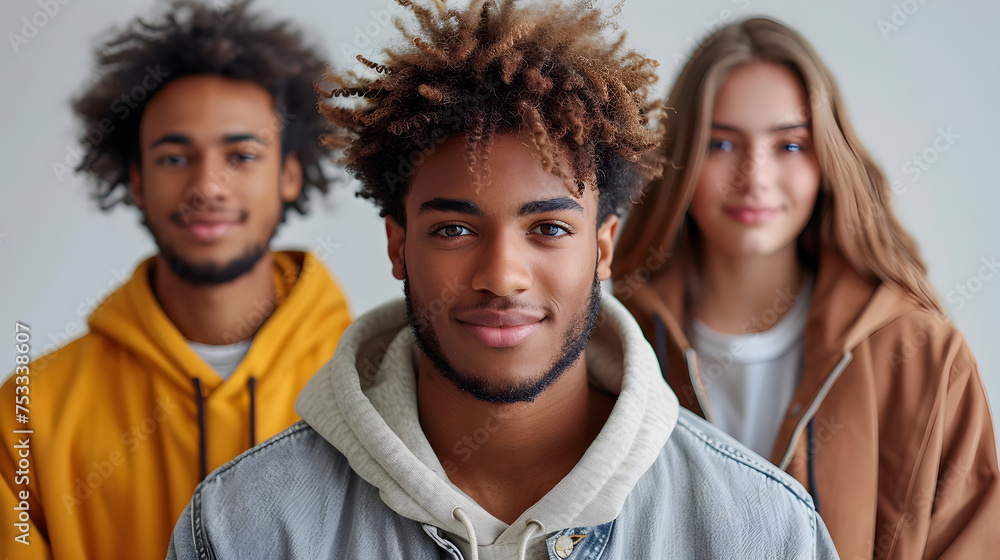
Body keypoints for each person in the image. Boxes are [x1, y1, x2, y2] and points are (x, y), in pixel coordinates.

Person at [166, 2, 838, 558]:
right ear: (398, 245)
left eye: (547, 229)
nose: (502, 277)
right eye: (455, 230)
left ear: (604, 248)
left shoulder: (761, 530)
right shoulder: (242, 527)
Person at [611, 17, 1000, 559]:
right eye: (722, 144)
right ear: (682, 158)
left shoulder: (925, 357)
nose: (755, 176)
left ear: (826, 159)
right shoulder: (609, 346)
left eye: (788, 146)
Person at [0, 2, 352, 558]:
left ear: (289, 174)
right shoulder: (28, 412)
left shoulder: (383, 382)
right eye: (173, 158)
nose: (207, 186)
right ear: (136, 181)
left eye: (241, 154)